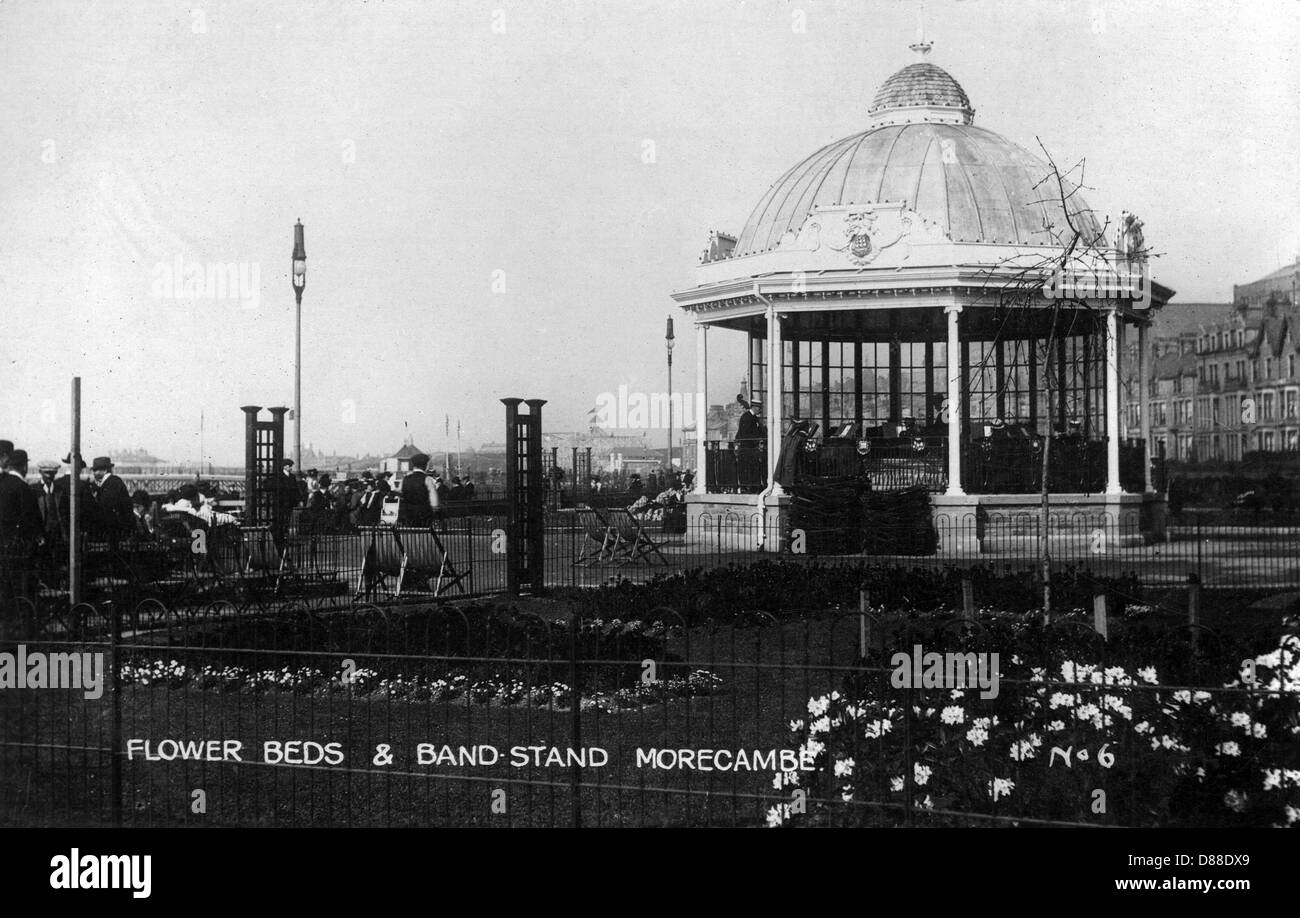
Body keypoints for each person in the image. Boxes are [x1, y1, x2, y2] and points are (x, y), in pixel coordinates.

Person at [0, 448, 42, 634]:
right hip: (19, 553)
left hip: (3, 549)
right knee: (21, 595)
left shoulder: (2, 484)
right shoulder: (23, 488)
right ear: (24, 466)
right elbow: (32, 521)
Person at [90, 456, 133, 543]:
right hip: (119, 529)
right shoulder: (114, 481)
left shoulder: (111, 483)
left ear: (105, 470)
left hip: (113, 531)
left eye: (96, 470)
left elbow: (106, 507)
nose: (94, 473)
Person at [397, 453, 440, 526]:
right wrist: (435, 510)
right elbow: (434, 499)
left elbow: (398, 493)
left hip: (408, 512)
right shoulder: (427, 479)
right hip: (423, 513)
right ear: (425, 465)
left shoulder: (405, 479)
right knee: (423, 534)